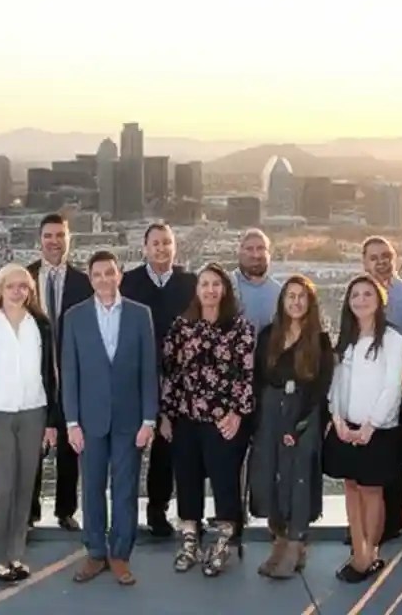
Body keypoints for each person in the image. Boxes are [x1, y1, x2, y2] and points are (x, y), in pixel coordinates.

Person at [63, 251, 158, 587]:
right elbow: (69, 373)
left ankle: (120, 554)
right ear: (90, 279)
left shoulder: (139, 314)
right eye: (97, 274)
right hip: (89, 420)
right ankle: (94, 552)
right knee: (91, 488)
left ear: (120, 275)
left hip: (129, 420)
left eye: (109, 273)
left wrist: (149, 420)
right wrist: (71, 423)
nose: (104, 279)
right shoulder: (74, 317)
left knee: (125, 489)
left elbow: (149, 369)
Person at [161, 263, 256, 577]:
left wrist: (237, 413)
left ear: (225, 289)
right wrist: (166, 414)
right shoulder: (182, 326)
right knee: (187, 478)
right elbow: (171, 373)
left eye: (216, 284)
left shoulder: (240, 327)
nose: (210, 290)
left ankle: (223, 542)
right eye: (205, 284)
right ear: (197, 290)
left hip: (223, 420)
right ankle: (190, 540)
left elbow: (246, 375)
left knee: (225, 479)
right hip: (186, 416)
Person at [0, 264, 59, 585]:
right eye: (11, 286)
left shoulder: (41, 325)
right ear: (0, 289)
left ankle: (16, 552)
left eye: (24, 286)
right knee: (2, 487)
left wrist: (51, 421)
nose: (18, 292)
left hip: (34, 412)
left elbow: (50, 375)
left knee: (24, 487)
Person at [250, 275, 332, 580]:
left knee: (299, 477)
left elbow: (321, 386)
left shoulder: (319, 341)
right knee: (272, 475)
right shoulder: (268, 335)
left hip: (305, 414)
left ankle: (297, 543)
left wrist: (300, 424)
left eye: (302, 296)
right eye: (291, 296)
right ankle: (280, 541)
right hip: (271, 413)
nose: (296, 302)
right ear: (282, 301)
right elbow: (257, 379)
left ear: (310, 303)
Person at [325, 275, 402, 583]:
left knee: (372, 491)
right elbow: (336, 383)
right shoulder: (346, 338)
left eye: (367, 294)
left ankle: (370, 554)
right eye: (355, 295)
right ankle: (358, 550)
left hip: (378, 430)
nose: (360, 300)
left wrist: (371, 425)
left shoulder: (392, 339)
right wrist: (337, 419)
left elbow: (392, 386)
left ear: (379, 299)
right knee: (351, 487)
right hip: (346, 428)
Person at [119, 222, 197, 538]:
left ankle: (158, 511)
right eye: (156, 243)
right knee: (129, 447)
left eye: (167, 242)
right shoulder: (129, 283)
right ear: (145, 248)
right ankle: (123, 516)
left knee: (169, 448)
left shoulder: (189, 283)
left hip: (178, 379)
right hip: (137, 374)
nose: (162, 248)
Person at [26, 214, 91, 531]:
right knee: (32, 444)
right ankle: (29, 512)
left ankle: (66, 510)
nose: (54, 241)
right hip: (32, 373)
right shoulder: (24, 278)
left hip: (71, 373)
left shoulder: (83, 282)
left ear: (69, 239)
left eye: (60, 235)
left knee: (69, 445)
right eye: (48, 236)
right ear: (39, 240)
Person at [362, 236, 402, 556]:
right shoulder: (359, 296)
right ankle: (385, 528)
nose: (381, 262)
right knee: (382, 466)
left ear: (395, 258)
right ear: (364, 263)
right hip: (373, 397)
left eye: (386, 255)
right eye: (374, 257)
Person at [232, 228, 282, 331]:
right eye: (249, 249)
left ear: (269, 253)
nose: (256, 255)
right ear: (239, 252)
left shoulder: (279, 292)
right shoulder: (226, 286)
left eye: (260, 248)